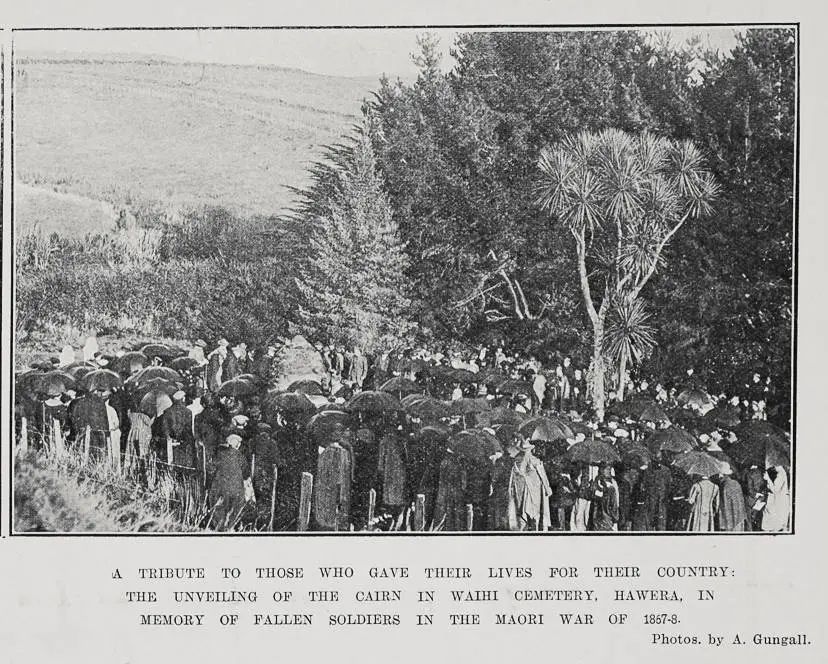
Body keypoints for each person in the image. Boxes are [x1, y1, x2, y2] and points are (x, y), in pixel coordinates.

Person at [489, 437, 552, 531]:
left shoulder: (521, 459)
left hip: (529, 492)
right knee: (528, 515)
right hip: (529, 492)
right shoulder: (528, 458)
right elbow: (523, 473)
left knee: (525, 515)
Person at [208, 434, 249, 531]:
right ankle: (231, 527)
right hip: (236, 488)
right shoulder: (240, 456)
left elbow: (211, 468)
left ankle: (219, 527)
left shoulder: (220, 454)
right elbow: (246, 473)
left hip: (220, 486)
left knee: (219, 506)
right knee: (236, 507)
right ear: (238, 445)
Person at [159, 391, 195, 469]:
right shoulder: (188, 412)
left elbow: (164, 428)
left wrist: (169, 438)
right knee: (185, 465)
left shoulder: (167, 411)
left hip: (171, 442)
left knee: (172, 463)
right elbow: (188, 428)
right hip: (184, 442)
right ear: (182, 399)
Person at [717, 465, 748, 531]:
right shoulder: (736, 483)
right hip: (740, 516)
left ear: (721, 475)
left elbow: (725, 505)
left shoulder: (724, 486)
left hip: (730, 519)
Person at [761, 466, 790, 532]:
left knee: (773, 526)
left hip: (777, 502)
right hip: (777, 501)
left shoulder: (780, 474)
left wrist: (768, 478)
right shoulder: (782, 472)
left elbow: (775, 490)